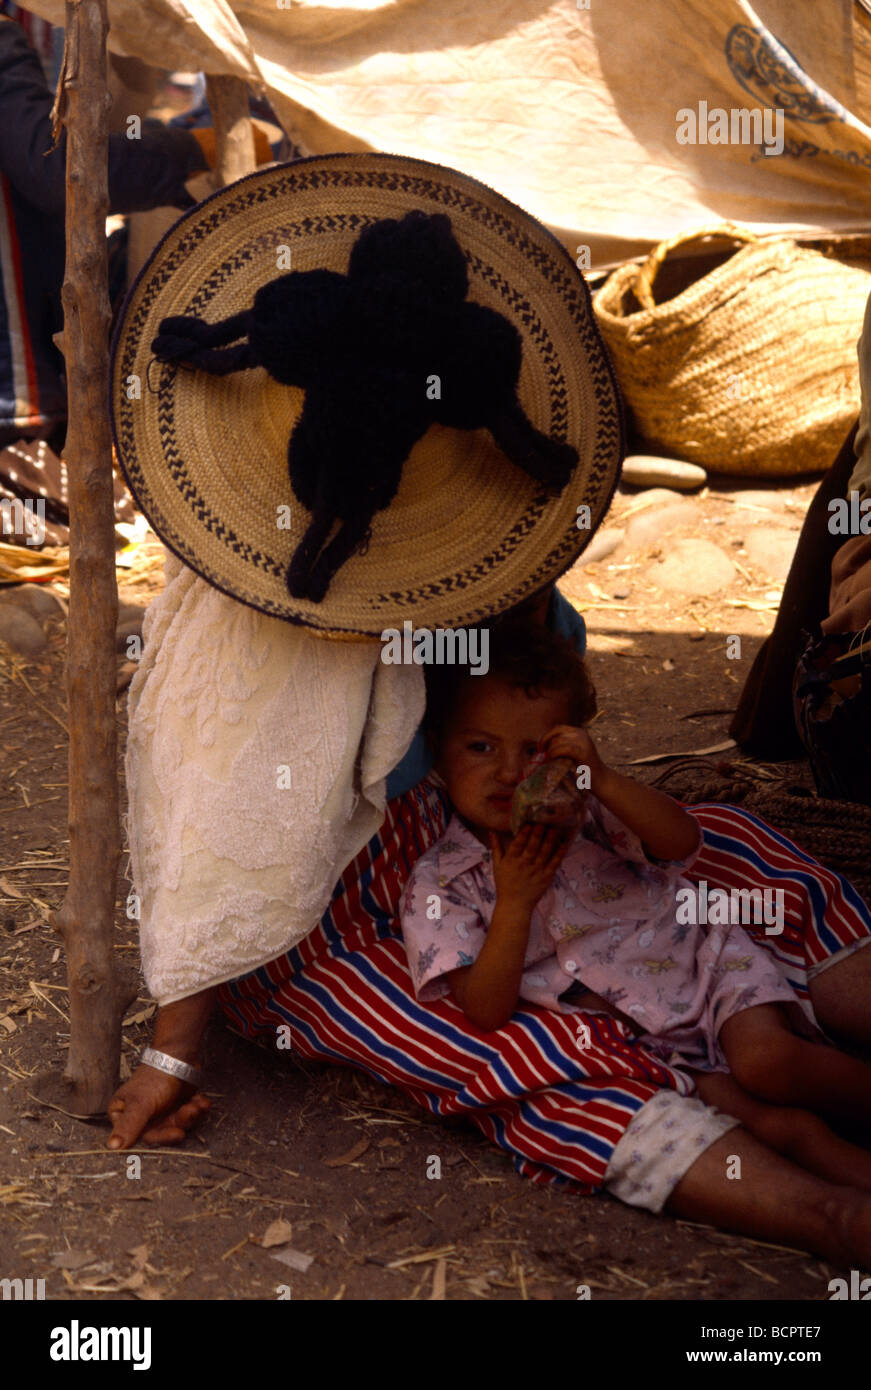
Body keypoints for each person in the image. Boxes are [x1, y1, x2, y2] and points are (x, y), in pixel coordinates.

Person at [103, 152, 871, 1270]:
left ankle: (795, 1086)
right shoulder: (248, 642)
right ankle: (829, 1210)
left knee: (742, 888)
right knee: (503, 1039)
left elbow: (570, 719)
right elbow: (224, 846)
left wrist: (571, 790)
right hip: (386, 912)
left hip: (572, 870)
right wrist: (174, 1053)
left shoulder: (497, 567)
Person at [400, 620, 871, 1194]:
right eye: (480, 747)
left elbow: (682, 842)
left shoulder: (586, 814)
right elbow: (485, 1009)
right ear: (437, 754)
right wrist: (515, 903)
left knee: (769, 1063)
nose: (508, 772)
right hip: (647, 1039)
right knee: (783, 1128)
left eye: (534, 750)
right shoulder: (440, 884)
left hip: (707, 970)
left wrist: (601, 779)